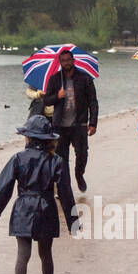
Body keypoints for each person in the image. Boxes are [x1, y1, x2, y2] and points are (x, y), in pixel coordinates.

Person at [0, 115, 78, 274]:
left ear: (28, 138)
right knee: (45, 253)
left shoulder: (17, 159)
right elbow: (65, 192)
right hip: (46, 207)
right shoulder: (56, 161)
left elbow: (4, 188)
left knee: (23, 254)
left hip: (23, 208)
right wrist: (73, 222)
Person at [44, 49, 98, 192]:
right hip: (60, 125)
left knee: (82, 154)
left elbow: (93, 101)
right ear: (60, 63)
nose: (67, 63)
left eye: (69, 60)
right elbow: (47, 101)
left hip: (79, 124)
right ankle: (64, 185)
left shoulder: (85, 78)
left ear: (73, 60)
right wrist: (58, 95)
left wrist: (93, 123)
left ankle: (79, 174)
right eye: (64, 60)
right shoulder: (55, 79)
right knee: (61, 159)